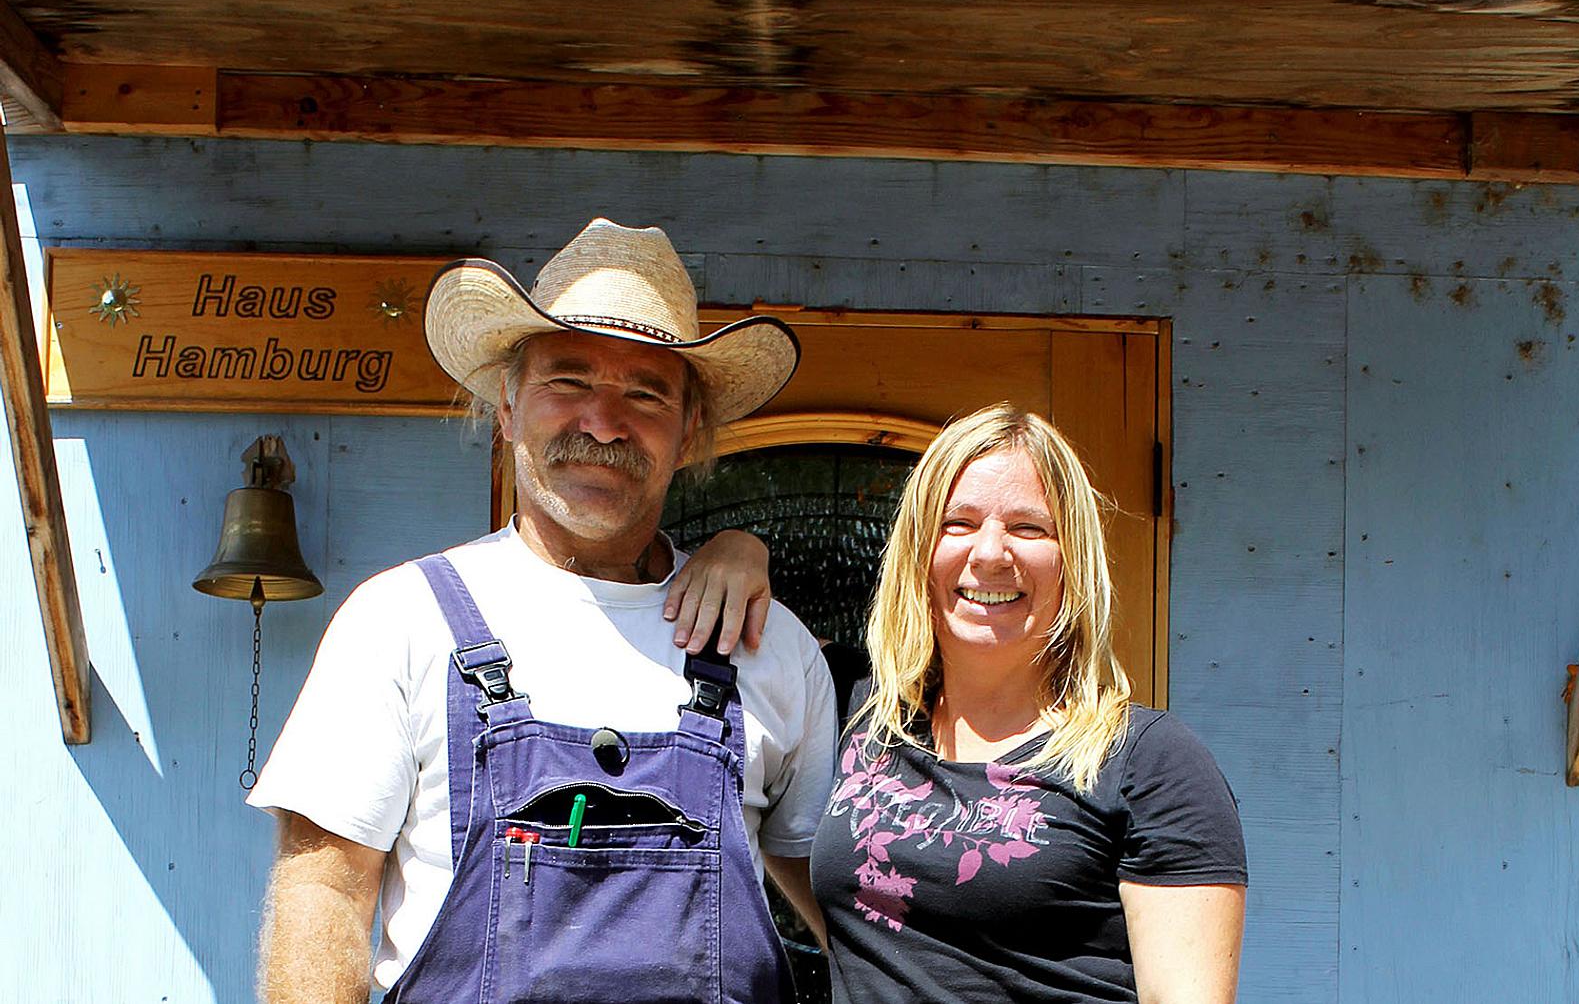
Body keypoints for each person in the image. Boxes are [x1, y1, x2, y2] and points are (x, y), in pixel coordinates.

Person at [246, 217, 839, 1004]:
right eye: (569, 379)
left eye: (645, 392)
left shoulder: (768, 644)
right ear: (508, 404)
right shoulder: (402, 620)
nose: (603, 420)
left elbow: (858, 915)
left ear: (689, 429)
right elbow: (323, 898)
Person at [682, 402, 1247, 1002]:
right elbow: (760, 635)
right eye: (959, 523)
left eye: (1030, 527)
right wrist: (738, 548)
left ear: (1073, 562)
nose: (990, 553)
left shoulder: (1149, 762)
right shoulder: (859, 711)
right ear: (918, 554)